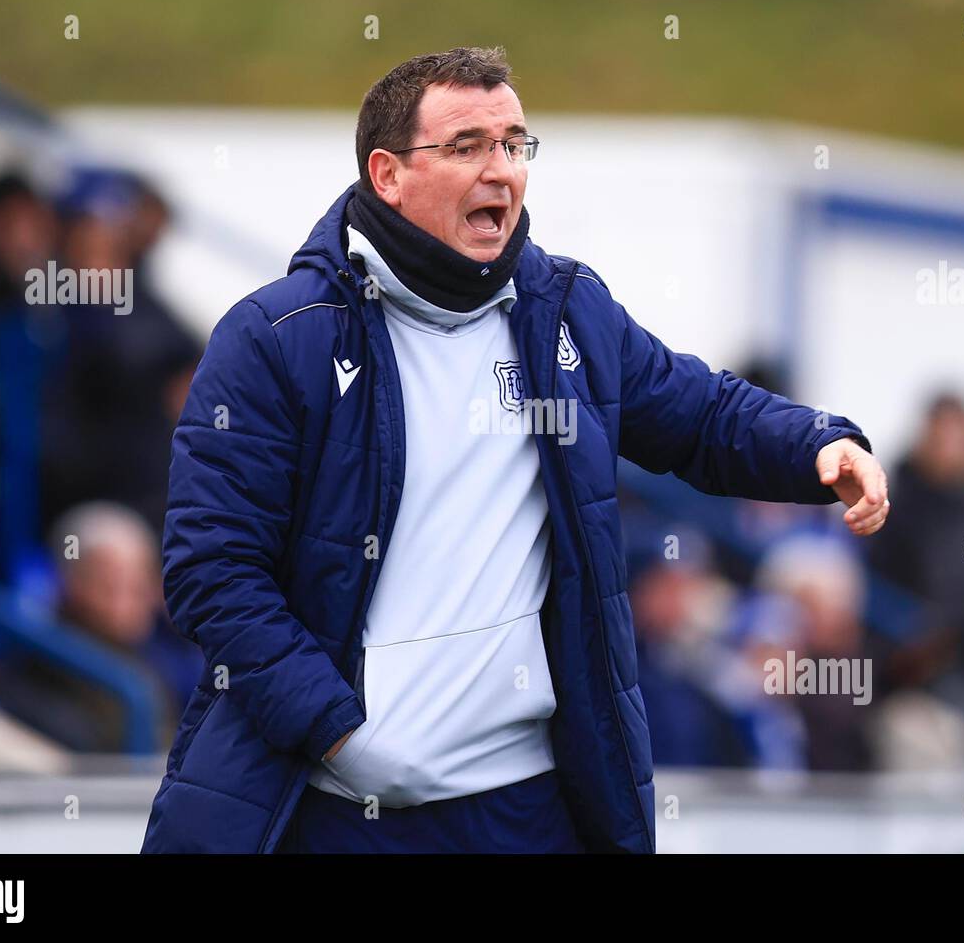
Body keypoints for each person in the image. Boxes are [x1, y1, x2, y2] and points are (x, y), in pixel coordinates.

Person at [141, 46, 888, 854]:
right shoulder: (274, 338)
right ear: (387, 175)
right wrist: (337, 733)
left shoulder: (566, 312)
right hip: (337, 811)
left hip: (526, 812)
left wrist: (819, 442)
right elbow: (212, 570)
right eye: (466, 146)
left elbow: (698, 412)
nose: (500, 169)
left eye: (514, 143)